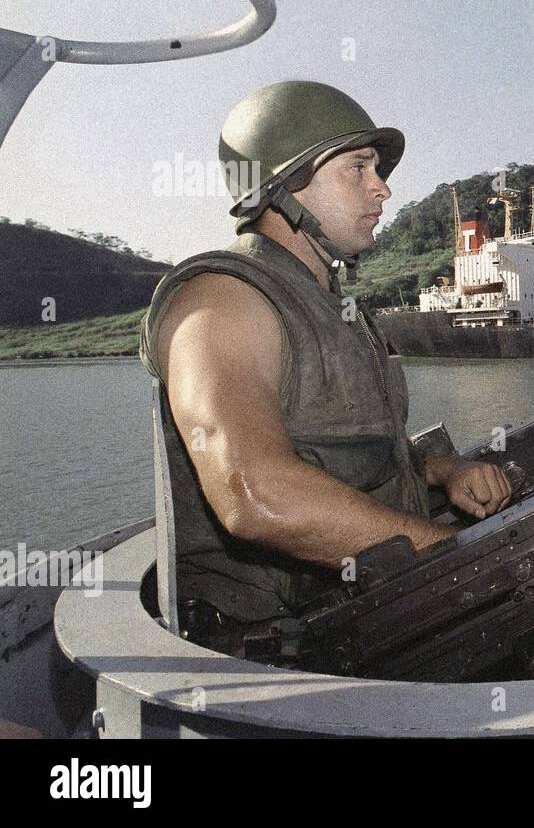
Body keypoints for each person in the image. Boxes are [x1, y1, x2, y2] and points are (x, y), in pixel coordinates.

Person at [139, 80, 510, 656]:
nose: (382, 188)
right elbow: (255, 494)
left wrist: (440, 471)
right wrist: (448, 554)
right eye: (358, 167)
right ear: (287, 186)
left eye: (378, 169)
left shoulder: (334, 304)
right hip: (278, 653)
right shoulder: (222, 299)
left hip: (365, 608)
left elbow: (353, 451)